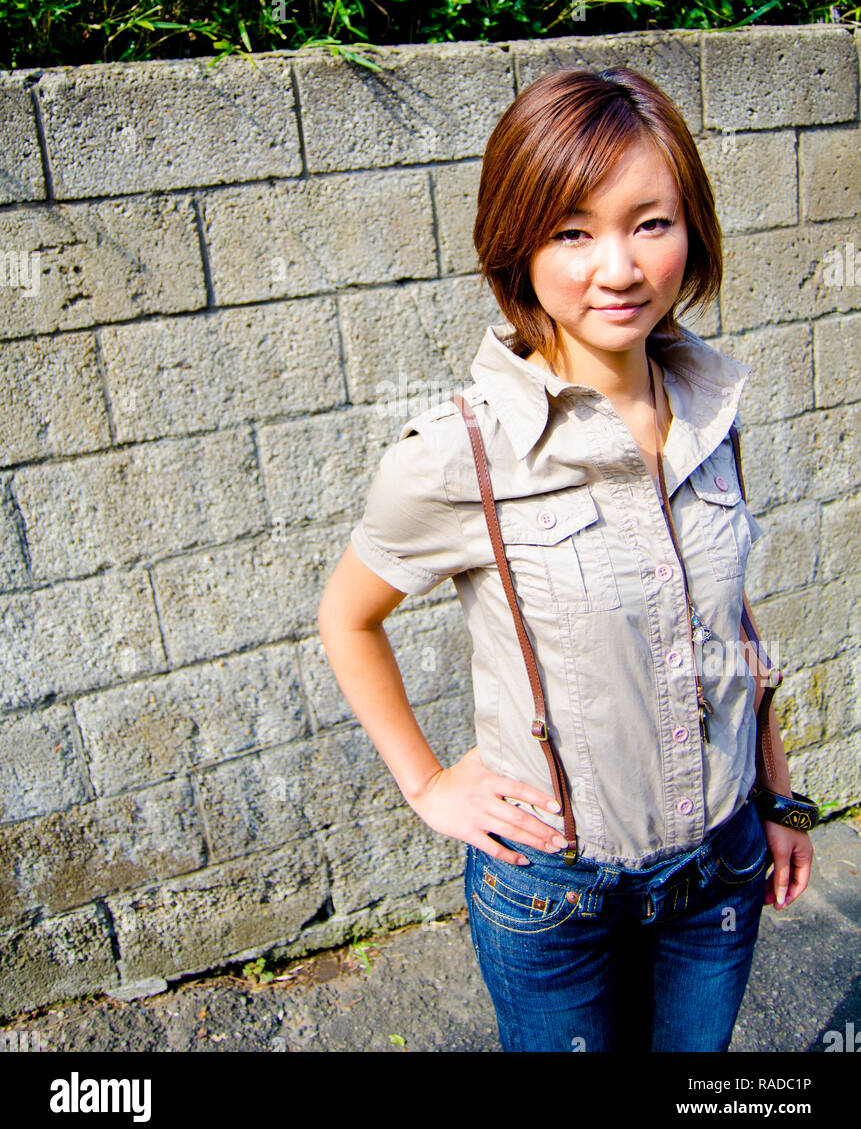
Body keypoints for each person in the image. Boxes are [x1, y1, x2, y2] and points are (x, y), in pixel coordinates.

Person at [317, 65, 814, 1053]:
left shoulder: (711, 410)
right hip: (557, 896)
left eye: (651, 223)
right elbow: (348, 615)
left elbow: (728, 621)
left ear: (693, 230)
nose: (619, 267)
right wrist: (426, 784)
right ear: (519, 247)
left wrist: (777, 793)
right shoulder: (463, 451)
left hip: (719, 868)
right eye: (573, 231)